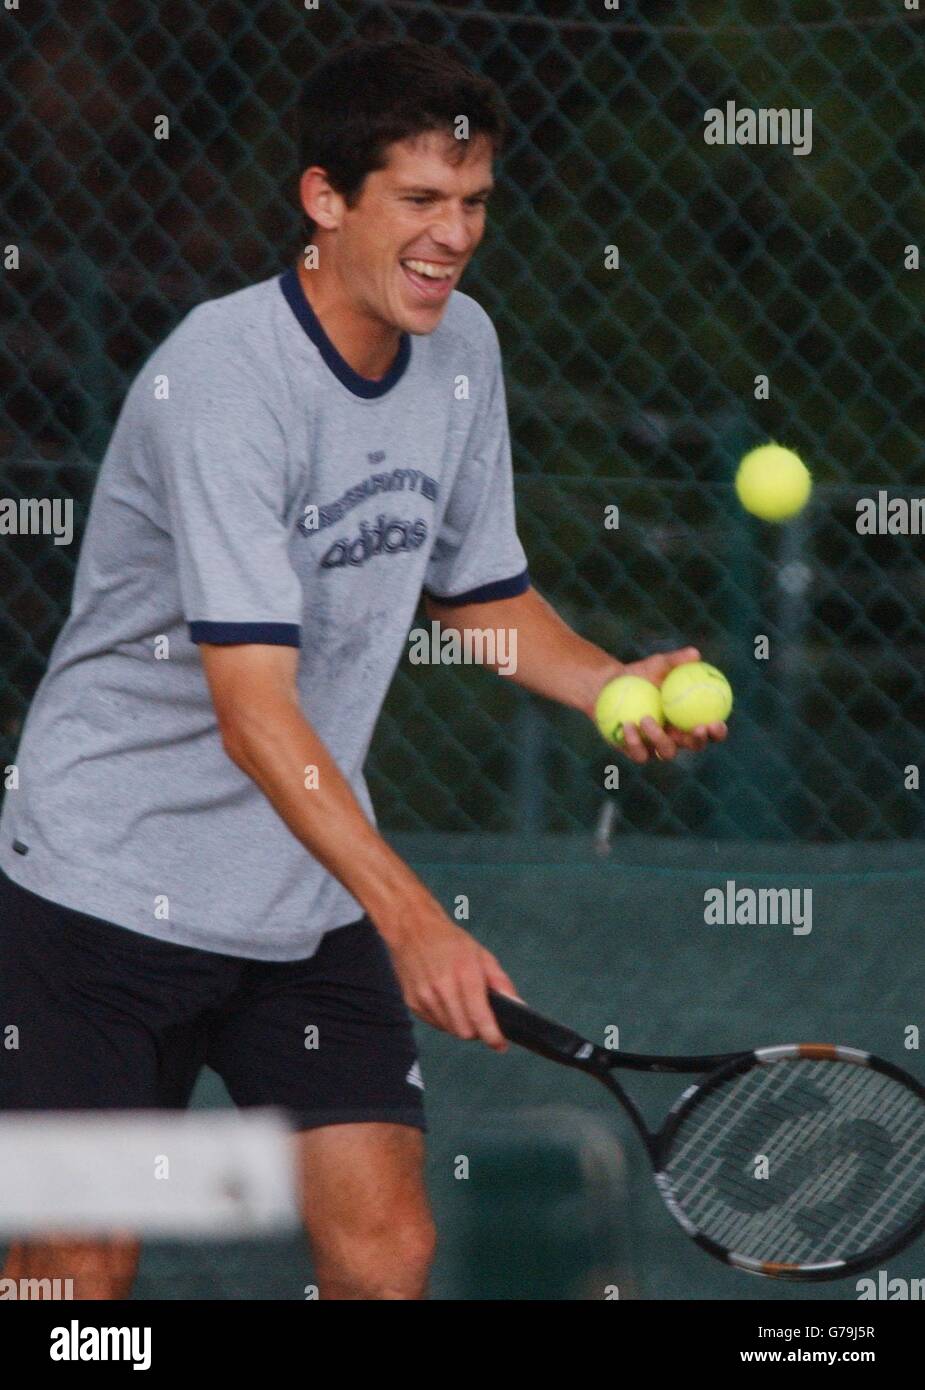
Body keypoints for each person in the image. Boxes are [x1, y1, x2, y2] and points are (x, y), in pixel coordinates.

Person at [0, 37, 726, 1300]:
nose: (454, 234)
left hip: (302, 894)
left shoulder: (463, 353)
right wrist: (411, 919)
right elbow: (251, 709)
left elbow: (479, 591)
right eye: (419, 199)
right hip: (103, 898)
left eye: (474, 202)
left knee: (388, 1254)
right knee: (76, 1269)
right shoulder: (223, 381)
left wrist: (612, 686)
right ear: (325, 199)